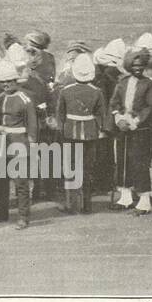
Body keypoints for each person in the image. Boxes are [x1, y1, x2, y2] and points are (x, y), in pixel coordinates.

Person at [53, 53, 108, 214]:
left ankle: (73, 205)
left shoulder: (65, 91)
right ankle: (86, 205)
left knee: (71, 169)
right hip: (91, 133)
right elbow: (101, 114)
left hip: (70, 133)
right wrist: (101, 131)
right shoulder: (97, 92)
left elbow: (60, 114)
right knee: (87, 169)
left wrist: (61, 130)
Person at [110, 47, 152, 213]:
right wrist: (119, 119)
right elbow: (115, 103)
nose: (137, 68)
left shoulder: (150, 85)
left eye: (140, 65)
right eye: (135, 65)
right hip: (122, 128)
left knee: (140, 163)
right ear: (129, 66)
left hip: (140, 130)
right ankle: (125, 198)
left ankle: (144, 201)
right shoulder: (122, 83)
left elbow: (150, 107)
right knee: (123, 162)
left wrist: (133, 121)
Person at [0, 59, 39, 228]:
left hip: (19, 143)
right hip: (2, 143)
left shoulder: (25, 99)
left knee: (21, 182)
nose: (5, 84)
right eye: (2, 82)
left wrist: (32, 144)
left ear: (15, 81)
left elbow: (32, 124)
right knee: (0, 179)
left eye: (8, 81)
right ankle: (1, 213)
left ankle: (23, 217)